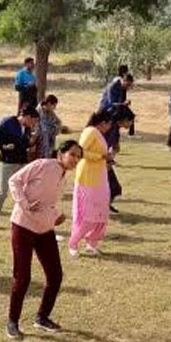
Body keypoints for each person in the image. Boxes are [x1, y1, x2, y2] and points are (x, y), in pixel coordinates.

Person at [5, 140, 83, 341]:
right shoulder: (43, 164)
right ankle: (12, 322)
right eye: (72, 154)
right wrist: (24, 203)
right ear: (61, 153)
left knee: (55, 275)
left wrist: (56, 215)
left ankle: (42, 318)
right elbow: (14, 180)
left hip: (44, 229)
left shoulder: (63, 176)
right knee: (22, 277)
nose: (75, 159)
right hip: (23, 225)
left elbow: (47, 202)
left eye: (78, 157)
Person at [68, 111, 114, 257]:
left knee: (101, 213)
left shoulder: (99, 134)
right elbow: (80, 151)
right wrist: (100, 156)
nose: (110, 127)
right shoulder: (90, 131)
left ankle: (92, 243)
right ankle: (73, 243)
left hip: (100, 178)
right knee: (87, 214)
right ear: (103, 122)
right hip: (87, 179)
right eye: (109, 124)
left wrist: (106, 159)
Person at [0, 108, 40, 232]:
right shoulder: (9, 122)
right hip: (7, 162)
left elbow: (24, 144)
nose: (34, 124)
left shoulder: (26, 128)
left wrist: (32, 141)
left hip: (21, 162)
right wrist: (4, 146)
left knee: (26, 192)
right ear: (27, 116)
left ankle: (24, 222)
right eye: (33, 121)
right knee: (2, 193)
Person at [105, 106, 136, 214]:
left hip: (106, 161)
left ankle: (105, 205)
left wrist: (115, 148)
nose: (131, 123)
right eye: (130, 121)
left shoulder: (115, 128)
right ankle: (101, 207)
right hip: (100, 162)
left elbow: (115, 145)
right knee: (112, 187)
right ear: (124, 119)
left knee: (114, 188)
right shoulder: (109, 127)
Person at [35, 94, 62, 160]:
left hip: (49, 140)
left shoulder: (50, 113)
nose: (54, 108)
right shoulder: (37, 112)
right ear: (49, 104)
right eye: (54, 106)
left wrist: (56, 128)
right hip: (41, 141)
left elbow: (58, 122)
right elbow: (39, 129)